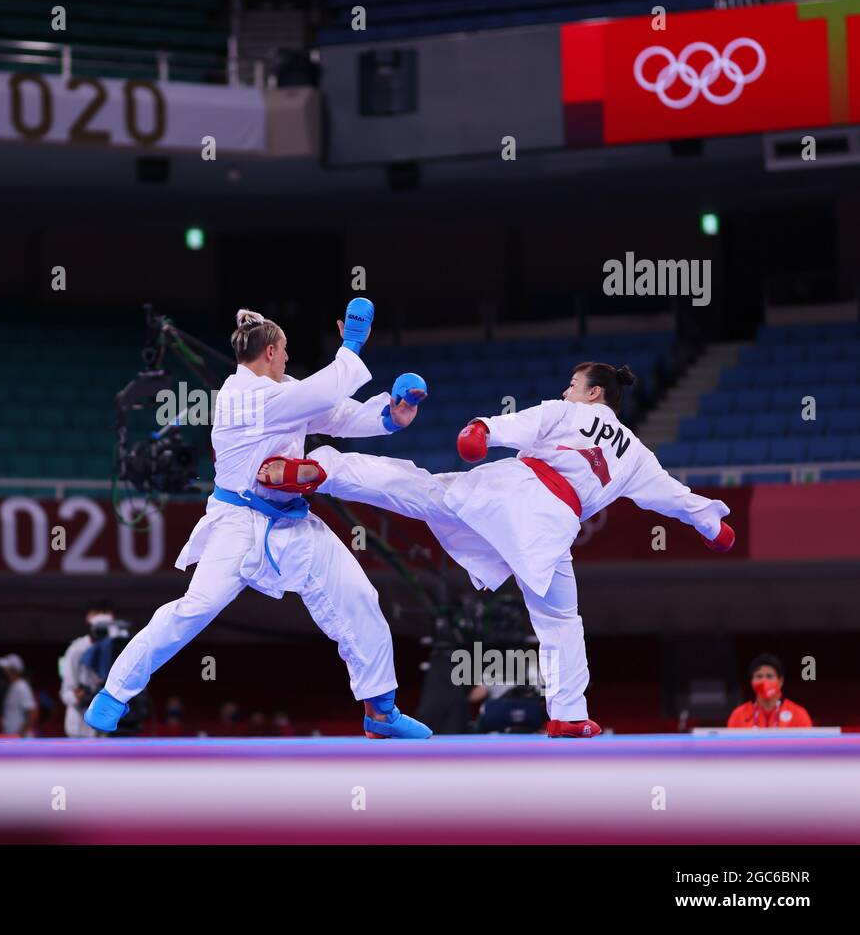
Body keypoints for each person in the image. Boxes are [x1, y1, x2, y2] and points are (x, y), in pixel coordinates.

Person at [261, 361, 735, 737]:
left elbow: (517, 425)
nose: (568, 390)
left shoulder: (567, 411)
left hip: (510, 493)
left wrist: (482, 430)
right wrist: (710, 523)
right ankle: (569, 714)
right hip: (549, 530)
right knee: (560, 620)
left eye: (574, 384)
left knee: (420, 491)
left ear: (595, 393)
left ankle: (325, 470)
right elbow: (672, 496)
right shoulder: (636, 453)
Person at [85, 300, 433, 739]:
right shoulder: (242, 397)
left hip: (293, 522)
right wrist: (351, 346)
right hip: (237, 524)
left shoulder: (284, 390)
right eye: (284, 349)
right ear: (269, 351)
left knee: (358, 595)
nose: (288, 357)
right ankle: (114, 692)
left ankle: (381, 712)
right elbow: (322, 395)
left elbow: (337, 414)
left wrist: (390, 414)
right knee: (196, 608)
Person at [58, 600, 113, 737]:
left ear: (112, 616)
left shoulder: (118, 645)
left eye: (105, 613)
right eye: (96, 613)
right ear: (88, 617)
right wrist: (78, 697)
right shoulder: (77, 649)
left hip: (109, 713)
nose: (101, 617)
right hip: (81, 719)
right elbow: (66, 691)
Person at [726, 654, 814, 729]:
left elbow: (807, 747)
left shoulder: (798, 714)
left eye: (769, 676)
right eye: (759, 676)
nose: (764, 681)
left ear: (780, 681)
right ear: (752, 682)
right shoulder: (738, 715)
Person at [0, 654, 39, 738]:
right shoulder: (13, 687)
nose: (3, 671)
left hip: (20, 741)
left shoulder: (22, 687)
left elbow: (33, 713)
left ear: (12, 670)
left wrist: (21, 734)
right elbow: (8, 717)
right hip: (11, 738)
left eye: (5, 669)